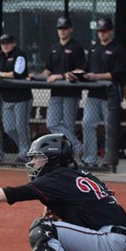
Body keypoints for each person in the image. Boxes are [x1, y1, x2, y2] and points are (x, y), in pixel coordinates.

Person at [80, 18, 126, 168]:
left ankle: (109, 160)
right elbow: (86, 68)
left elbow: (118, 74)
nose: (102, 34)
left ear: (111, 31)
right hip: (94, 94)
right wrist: (77, 74)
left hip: (111, 96)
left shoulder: (118, 49)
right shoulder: (94, 49)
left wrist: (96, 77)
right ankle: (90, 160)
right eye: (100, 31)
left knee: (110, 127)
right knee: (87, 123)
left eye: (104, 31)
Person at [37, 16, 86, 158]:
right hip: (56, 92)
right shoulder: (54, 48)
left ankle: (70, 155)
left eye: (65, 28)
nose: (62, 31)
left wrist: (60, 76)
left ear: (70, 29)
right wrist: (36, 77)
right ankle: (76, 146)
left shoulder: (76, 47)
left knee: (69, 125)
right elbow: (48, 70)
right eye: (60, 28)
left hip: (71, 92)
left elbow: (80, 70)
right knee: (52, 123)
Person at [0, 33, 31, 161]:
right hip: (6, 98)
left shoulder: (19, 54)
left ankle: (25, 154)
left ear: (14, 43)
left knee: (21, 127)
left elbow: (18, 73)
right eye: (3, 43)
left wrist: (1, 74)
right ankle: (29, 150)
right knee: (9, 128)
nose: (5, 46)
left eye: (8, 43)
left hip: (22, 97)